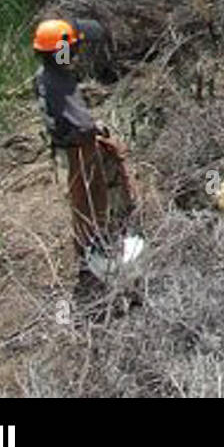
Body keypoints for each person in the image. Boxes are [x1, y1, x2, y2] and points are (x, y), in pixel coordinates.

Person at [32, 18, 140, 292]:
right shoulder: (58, 82)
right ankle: (97, 266)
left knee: (83, 207)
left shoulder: (45, 75)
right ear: (61, 51)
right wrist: (97, 131)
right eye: (71, 49)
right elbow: (79, 123)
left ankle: (92, 257)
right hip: (77, 151)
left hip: (63, 150)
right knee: (90, 207)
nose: (76, 53)